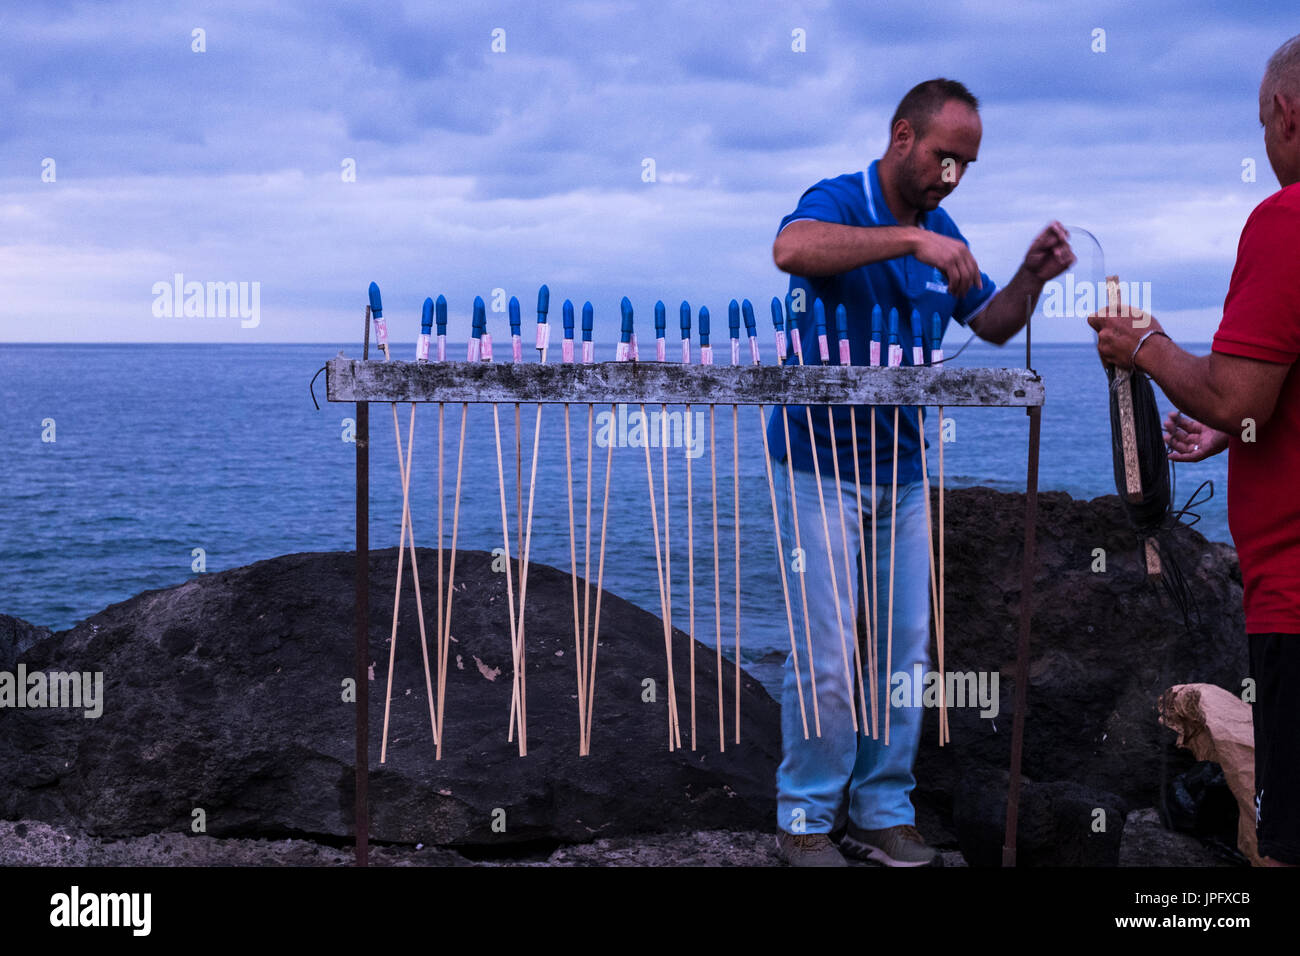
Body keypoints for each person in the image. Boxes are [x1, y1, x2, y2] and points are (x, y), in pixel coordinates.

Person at [768, 78, 1075, 867]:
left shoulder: (945, 228)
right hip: (816, 462)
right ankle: (805, 819)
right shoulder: (838, 200)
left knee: (905, 653)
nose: (952, 178)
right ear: (902, 135)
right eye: (944, 157)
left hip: (901, 468)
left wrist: (1031, 276)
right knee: (827, 652)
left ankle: (881, 810)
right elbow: (791, 250)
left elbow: (993, 325)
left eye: (966, 165)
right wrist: (910, 241)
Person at [1089, 34, 1300, 868]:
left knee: (1286, 845)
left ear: (1286, 112)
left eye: (1259, 124)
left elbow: (1237, 390)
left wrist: (1144, 347)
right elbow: (1261, 402)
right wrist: (1239, 428)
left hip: (1295, 601)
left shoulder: (1286, 219)